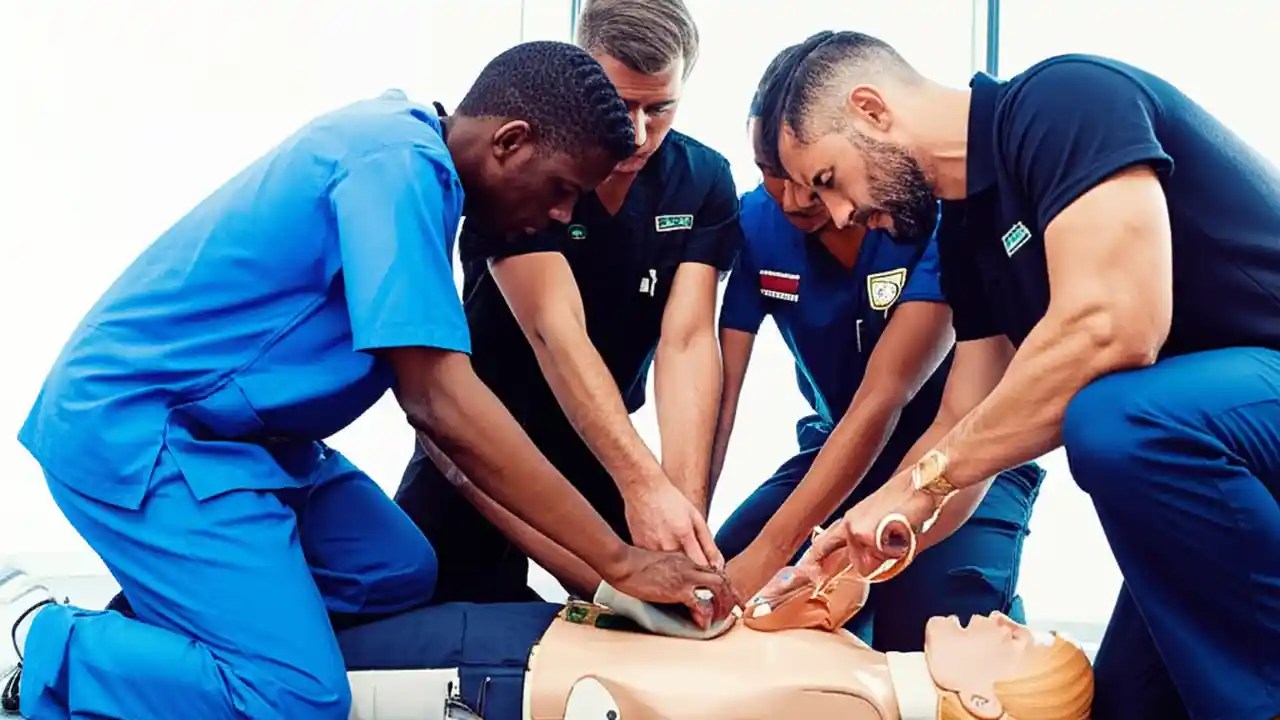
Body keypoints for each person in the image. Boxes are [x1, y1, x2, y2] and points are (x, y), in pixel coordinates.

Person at [0, 41, 735, 720]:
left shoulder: (424, 170)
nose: (562, 214)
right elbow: (438, 401)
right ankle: (36, 641)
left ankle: (184, 630)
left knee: (397, 571)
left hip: (254, 448)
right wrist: (620, 561)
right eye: (564, 188)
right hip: (143, 434)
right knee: (294, 697)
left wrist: (608, 572)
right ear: (511, 141)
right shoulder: (393, 165)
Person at [764, 30, 1280, 720]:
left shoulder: (1063, 100)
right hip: (1223, 443)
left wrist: (920, 487)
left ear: (871, 110)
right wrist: (858, 544)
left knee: (1113, 418)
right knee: (1125, 702)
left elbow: (1114, 327)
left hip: (1250, 401)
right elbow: (961, 427)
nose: (838, 214)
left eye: (828, 180)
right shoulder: (967, 235)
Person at [396, 0, 744, 603]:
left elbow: (686, 342)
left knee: (659, 612)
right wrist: (642, 484)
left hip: (601, 445)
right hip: (488, 430)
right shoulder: (526, 171)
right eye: (620, 103)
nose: (638, 132)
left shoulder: (704, 180)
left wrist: (677, 505)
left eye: (659, 108)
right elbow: (556, 333)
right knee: (434, 618)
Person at [709, 43, 1043, 651]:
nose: (796, 199)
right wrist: (696, 529)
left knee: (925, 632)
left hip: (960, 454)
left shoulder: (929, 214)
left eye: (813, 178)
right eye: (773, 173)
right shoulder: (757, 225)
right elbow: (720, 390)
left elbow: (886, 396)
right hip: (831, 455)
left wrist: (779, 550)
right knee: (723, 595)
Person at [336, 600, 1094, 720]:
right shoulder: (862, 666)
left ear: (989, 705)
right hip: (517, 643)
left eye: (1022, 642)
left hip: (496, 682)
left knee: (269, 690)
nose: (1005, 620)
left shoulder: (858, 710)